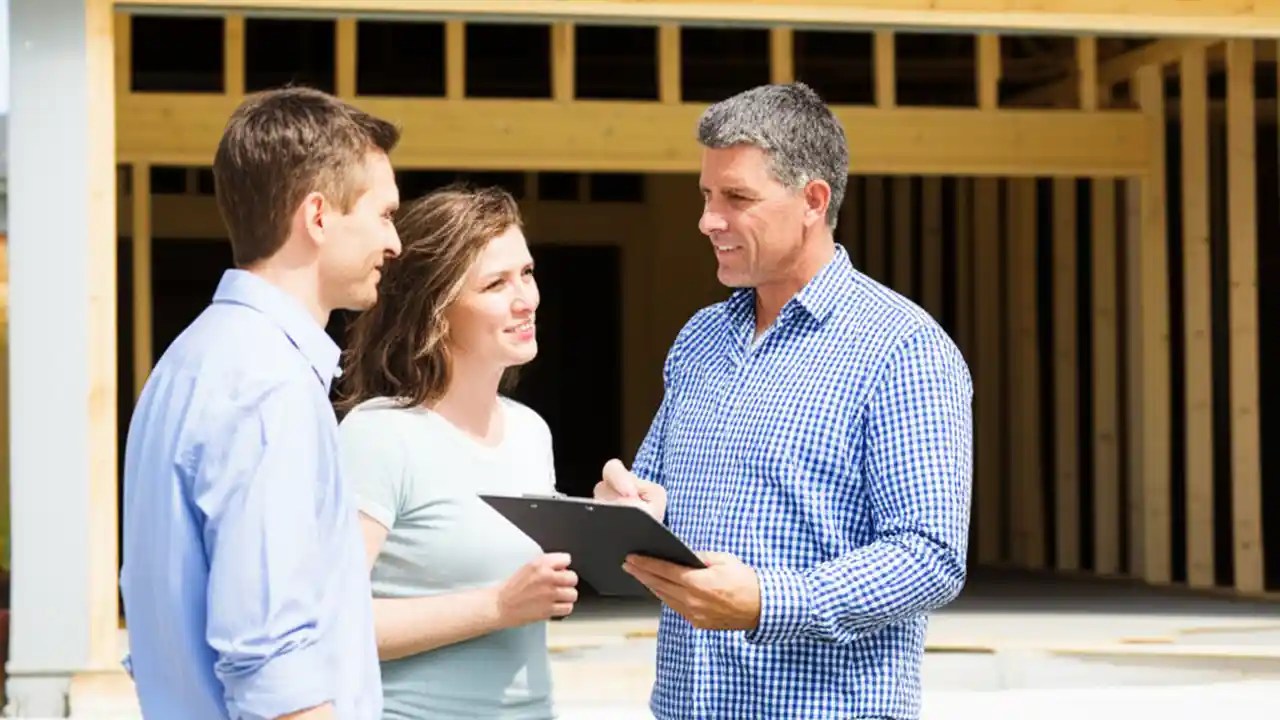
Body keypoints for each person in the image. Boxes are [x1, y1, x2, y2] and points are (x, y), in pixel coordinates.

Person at [595, 82, 974, 719]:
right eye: (706, 196)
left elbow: (929, 555)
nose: (708, 220)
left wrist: (768, 604)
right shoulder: (701, 338)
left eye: (737, 198)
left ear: (813, 201)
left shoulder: (902, 349)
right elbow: (654, 485)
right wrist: (631, 506)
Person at [119, 86, 403, 720]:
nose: (396, 243)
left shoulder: (186, 364)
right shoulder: (269, 386)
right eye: (384, 215)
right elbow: (271, 661)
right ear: (318, 216)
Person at [334, 184, 579, 720]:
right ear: (436, 310)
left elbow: (537, 588)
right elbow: (332, 624)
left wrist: (611, 521)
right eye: (495, 283)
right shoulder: (378, 436)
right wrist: (498, 607)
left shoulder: (530, 432)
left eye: (527, 273)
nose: (525, 299)